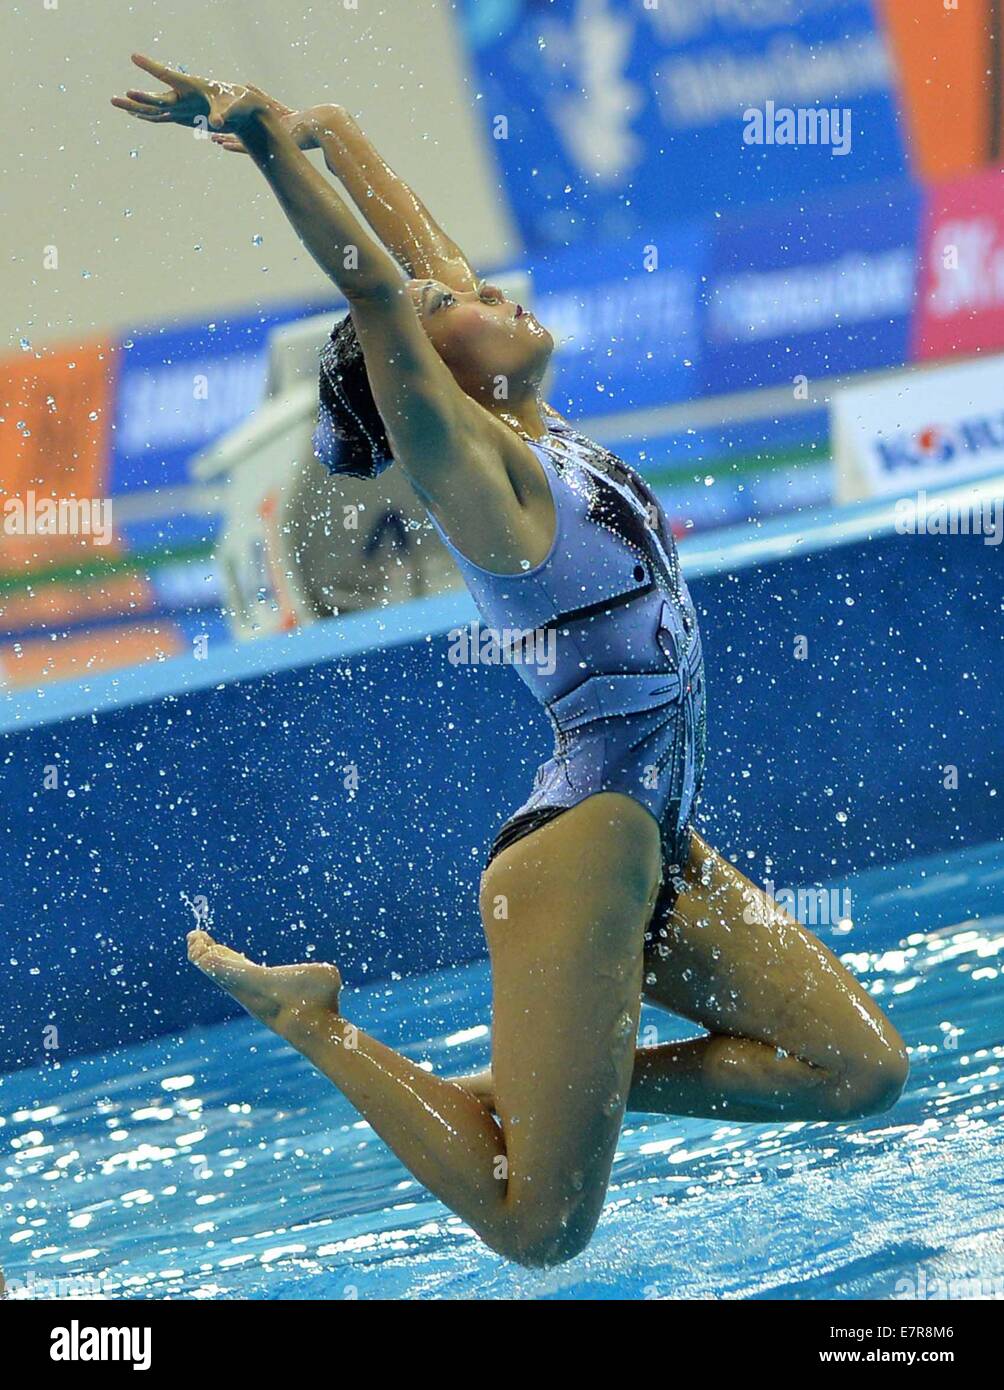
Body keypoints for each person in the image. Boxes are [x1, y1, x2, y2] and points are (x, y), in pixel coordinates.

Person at [112, 56, 909, 1269]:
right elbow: (382, 295)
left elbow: (423, 270)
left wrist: (339, 127)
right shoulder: (481, 484)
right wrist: (276, 148)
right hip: (577, 854)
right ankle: (317, 1022)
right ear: (435, 377)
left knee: (854, 1067)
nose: (485, 290)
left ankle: (549, 1079)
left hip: (653, 838)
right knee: (534, 1225)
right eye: (459, 306)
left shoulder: (543, 433)